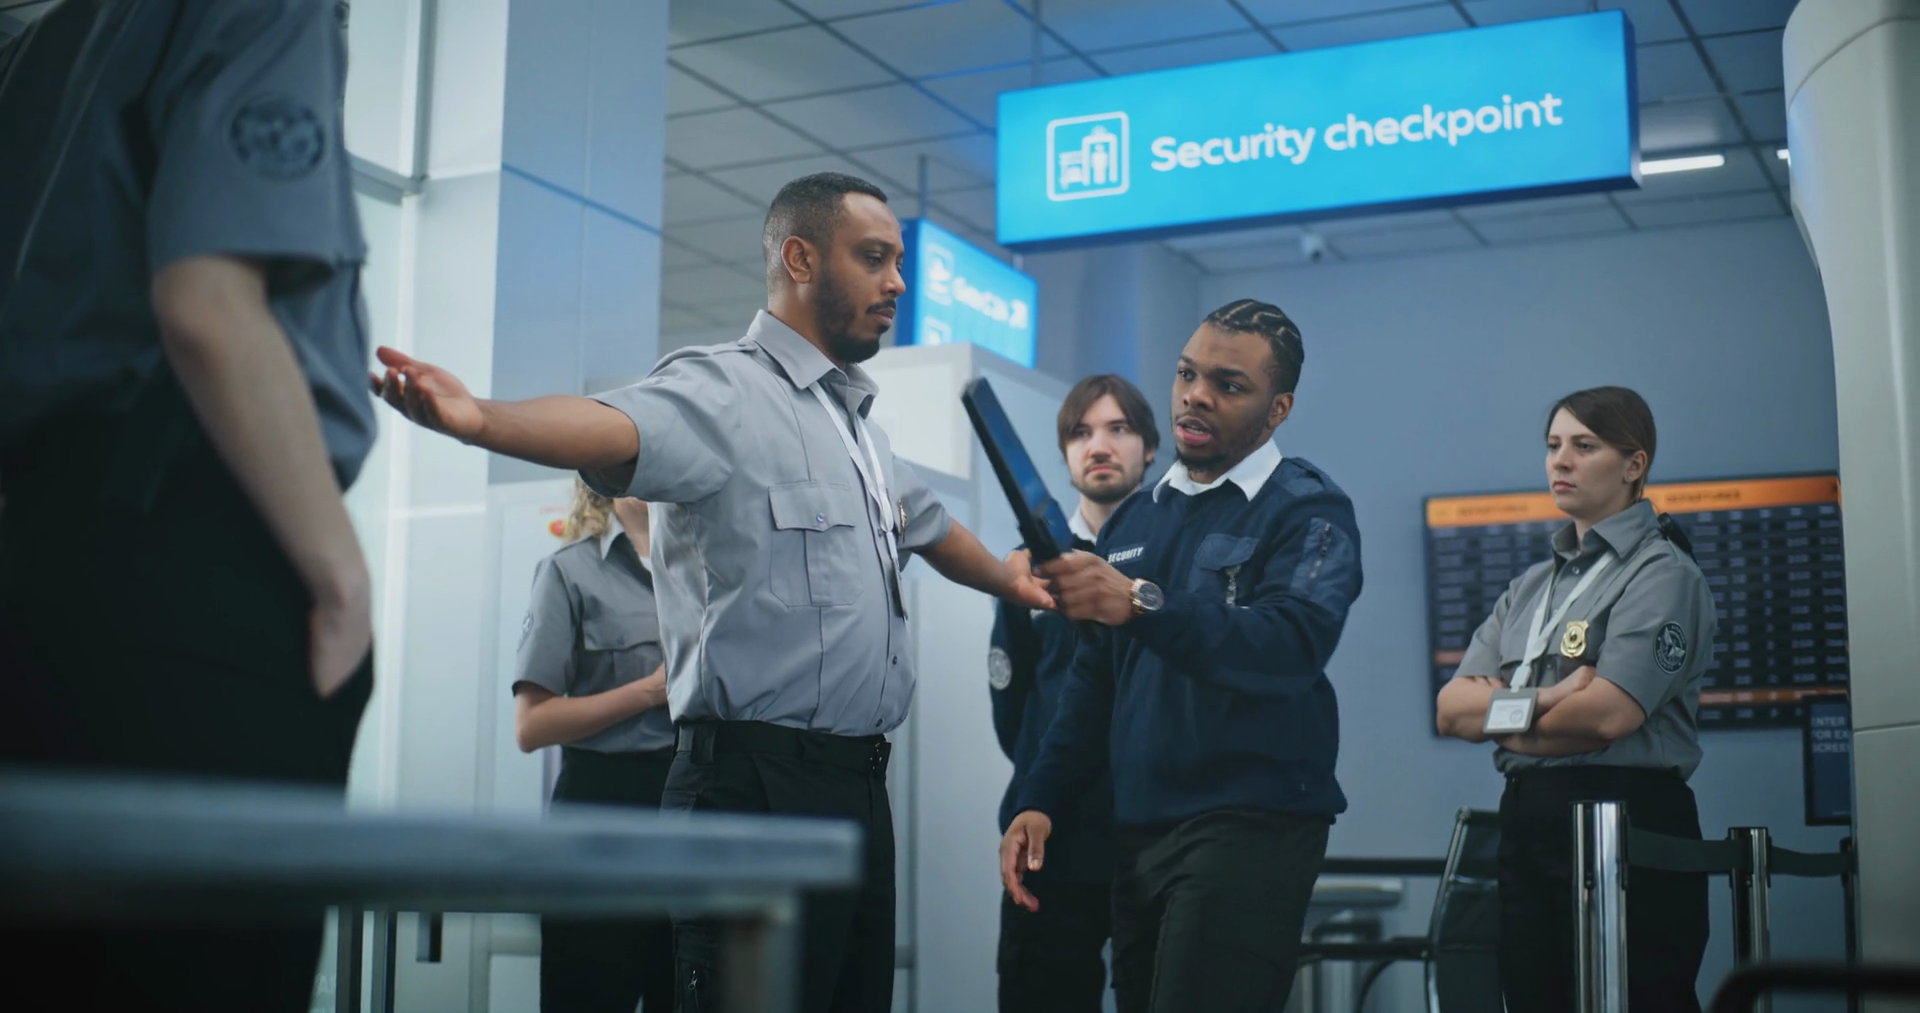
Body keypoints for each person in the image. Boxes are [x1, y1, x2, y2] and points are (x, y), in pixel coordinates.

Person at [371, 171, 1052, 1013]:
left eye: (899, 262)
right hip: (752, 787)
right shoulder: (723, 390)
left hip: (857, 789)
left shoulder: (860, 432)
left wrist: (1011, 577)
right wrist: (483, 418)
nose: (898, 284)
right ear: (800, 258)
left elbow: (932, 526)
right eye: (874, 258)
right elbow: (612, 424)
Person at [0, 2, 375, 1011]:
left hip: (43, 548)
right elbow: (208, 302)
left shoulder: (46, 33)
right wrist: (341, 580)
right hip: (186, 550)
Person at [999, 299, 1364, 1013]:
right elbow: (1091, 683)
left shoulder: (1309, 509)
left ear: (1277, 408)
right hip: (1139, 829)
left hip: (1251, 822)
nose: (1196, 395)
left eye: (1228, 385)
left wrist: (1140, 600)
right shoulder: (1138, 518)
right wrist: (1039, 797)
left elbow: (1292, 644)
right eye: (1187, 374)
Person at [1434, 387, 1714, 1013]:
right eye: (1554, 445)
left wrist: (1501, 717)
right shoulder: (1531, 585)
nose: (1560, 461)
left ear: (1633, 464)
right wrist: (1552, 697)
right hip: (1529, 815)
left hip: (1629, 817)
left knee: (1638, 1001)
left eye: (1584, 446)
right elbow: (1451, 710)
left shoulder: (1661, 572)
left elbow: (1609, 715)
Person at [989, 374, 1158, 1013]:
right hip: (1050, 832)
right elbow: (1012, 703)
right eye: (1082, 433)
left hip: (1149, 826)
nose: (1100, 445)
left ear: (1150, 447)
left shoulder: (1168, 557)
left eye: (1119, 429)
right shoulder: (1028, 569)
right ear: (1064, 453)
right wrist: (1044, 781)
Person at [514, 482, 675, 1012]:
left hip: (691, 808)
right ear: (601, 478)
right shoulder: (569, 572)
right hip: (601, 808)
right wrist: (647, 692)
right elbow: (531, 726)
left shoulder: (709, 573)